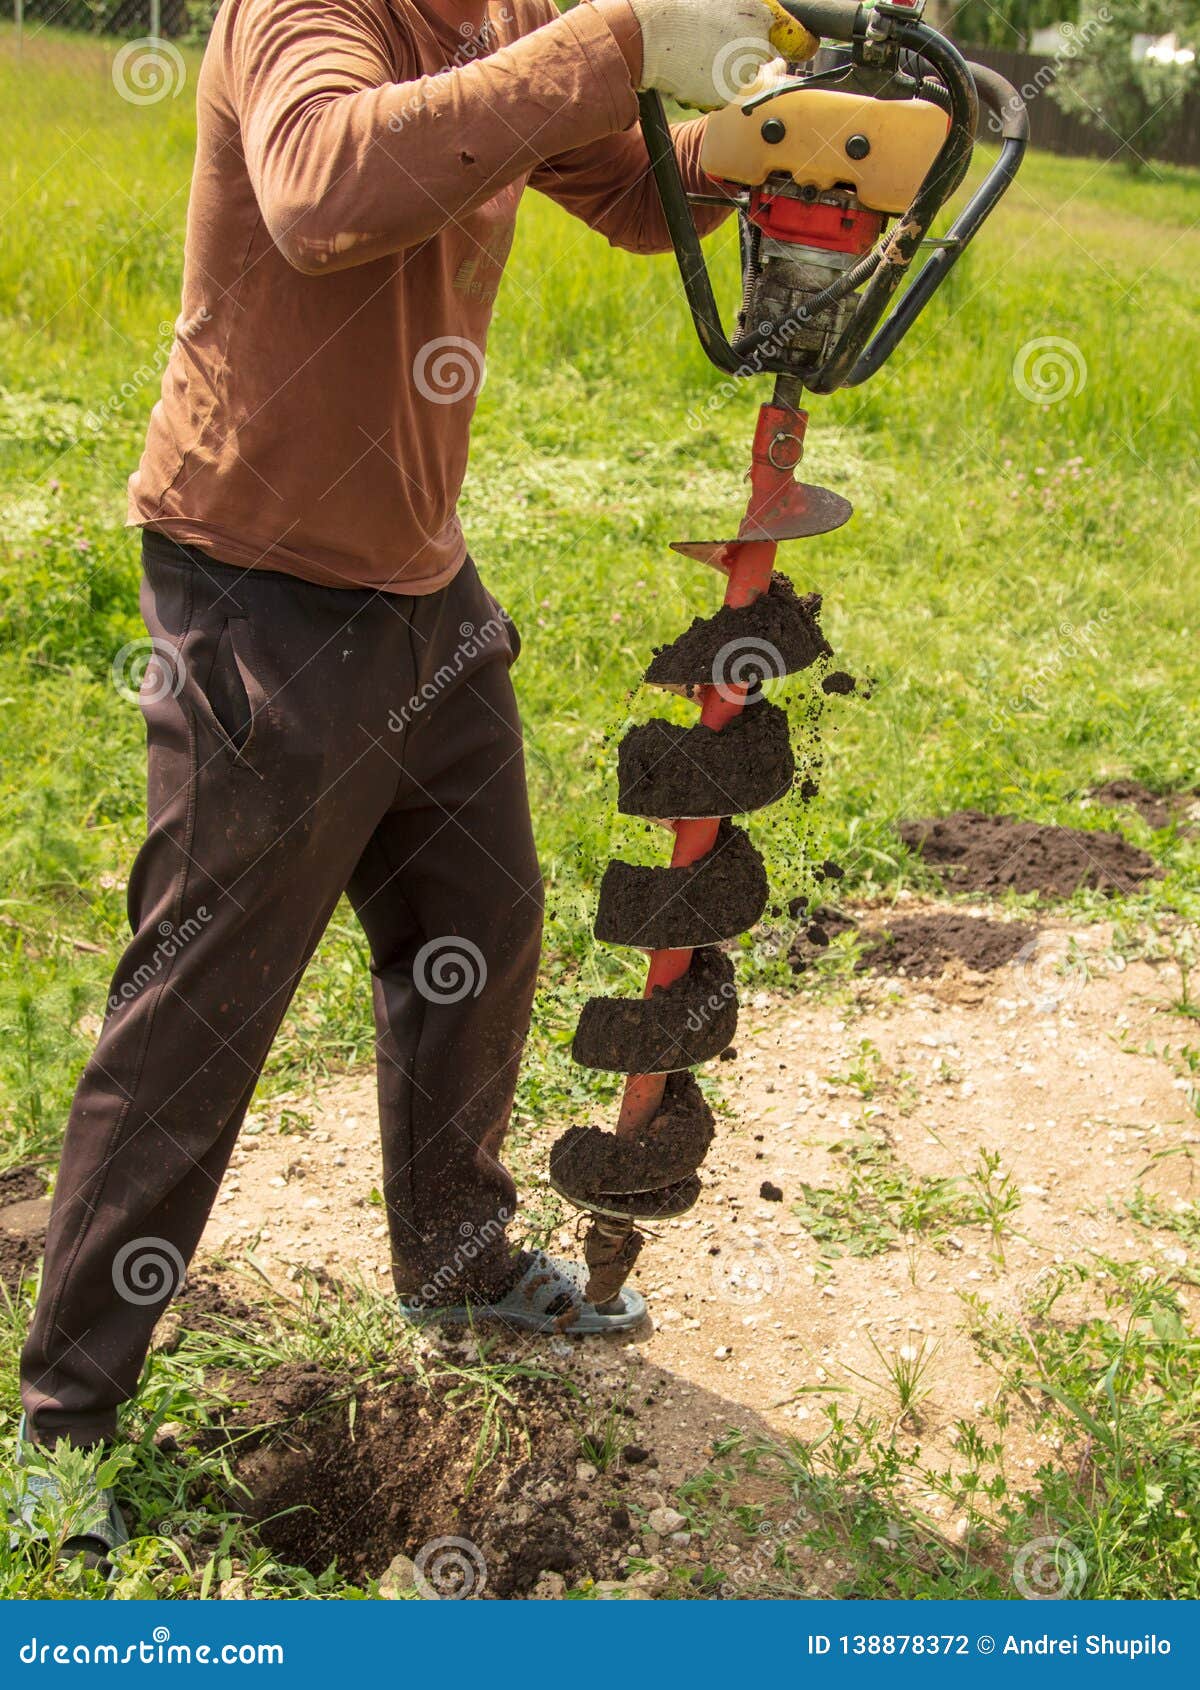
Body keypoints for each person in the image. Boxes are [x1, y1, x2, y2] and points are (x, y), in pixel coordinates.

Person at [16, 0, 778, 1563]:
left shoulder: (495, 17)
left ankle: (451, 1246)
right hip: (261, 586)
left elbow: (627, 189)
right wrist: (622, 37)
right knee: (203, 998)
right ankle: (62, 1432)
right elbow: (318, 188)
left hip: (419, 583)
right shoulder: (309, 12)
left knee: (479, 908)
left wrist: (786, 146)